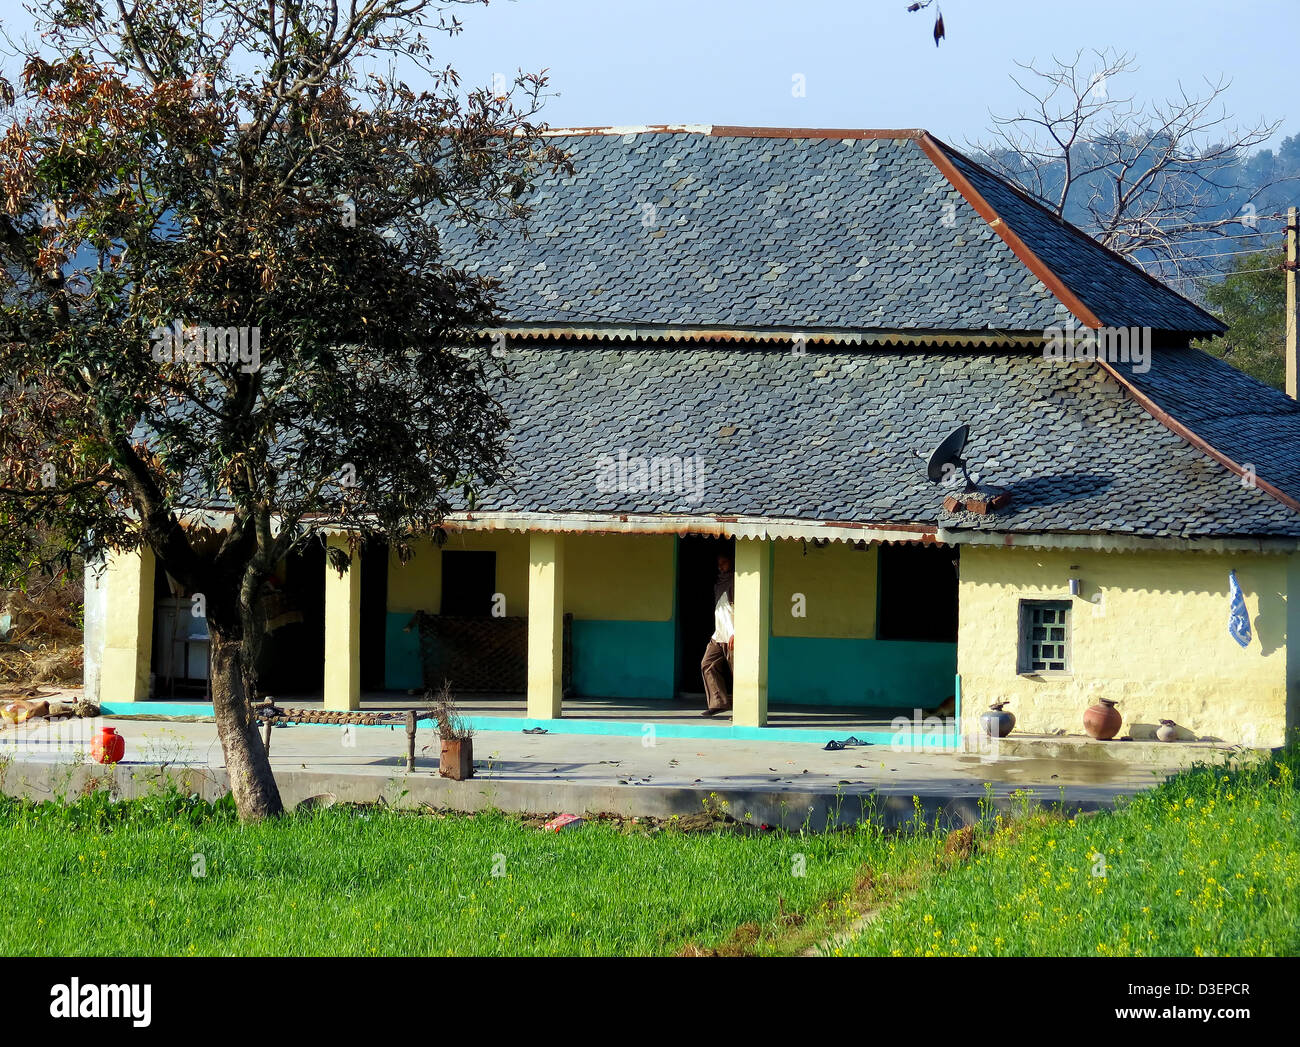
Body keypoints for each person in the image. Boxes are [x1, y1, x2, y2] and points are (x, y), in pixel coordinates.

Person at [700, 552, 734, 717]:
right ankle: (718, 702)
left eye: (724, 563)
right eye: (719, 563)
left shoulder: (736, 582)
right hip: (719, 633)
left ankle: (742, 710)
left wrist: (737, 632)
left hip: (733, 634)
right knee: (708, 663)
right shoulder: (718, 584)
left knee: (738, 672)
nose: (721, 567)